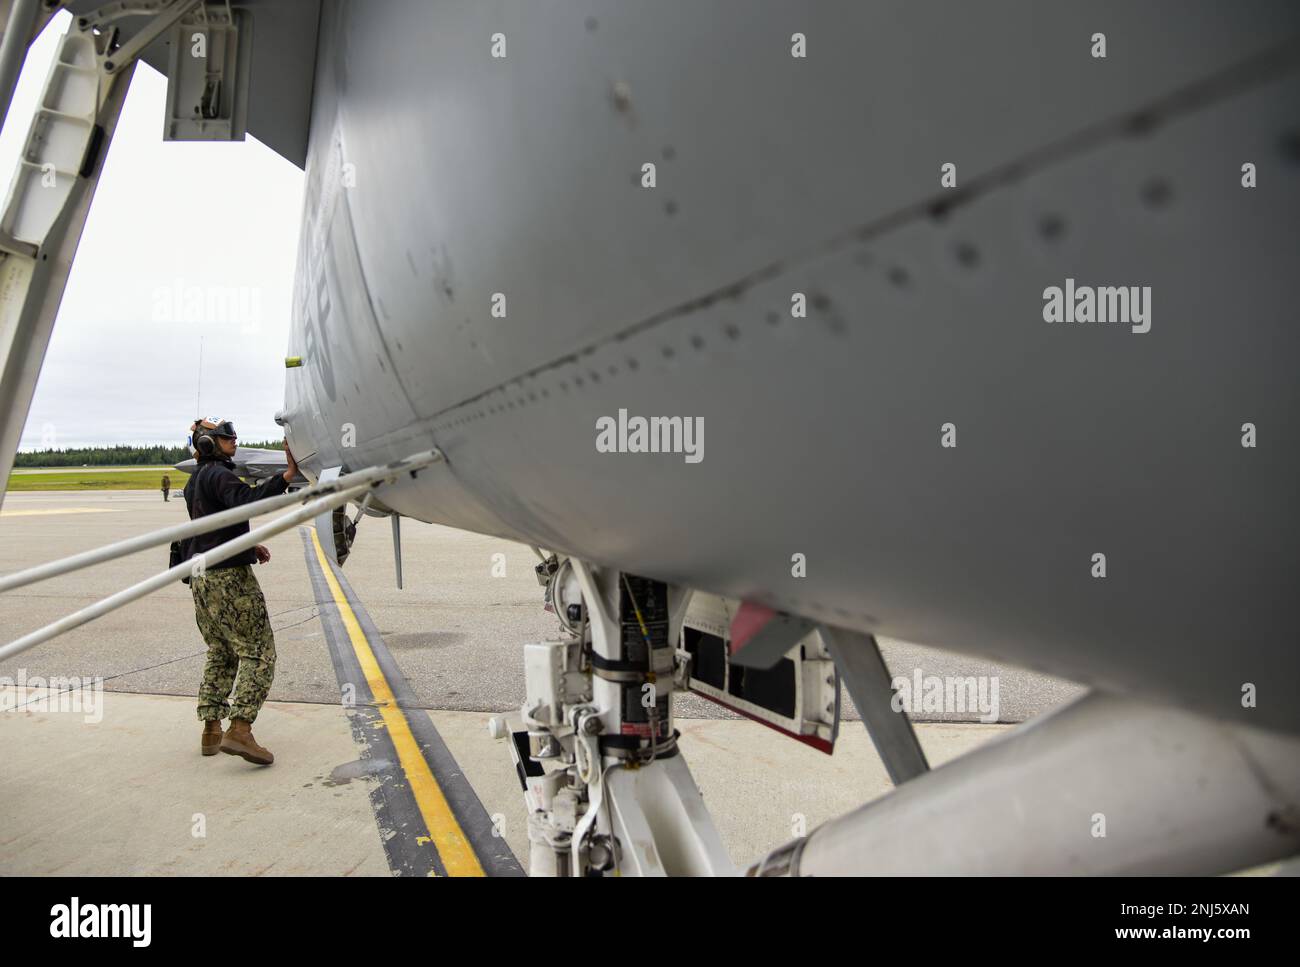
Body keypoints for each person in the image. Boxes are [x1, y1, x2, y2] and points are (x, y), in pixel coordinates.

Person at [183, 418, 298, 765]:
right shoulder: (220, 475)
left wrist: (250, 547)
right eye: (226, 438)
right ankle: (241, 728)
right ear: (208, 444)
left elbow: (216, 527)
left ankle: (211, 729)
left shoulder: (194, 482)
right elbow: (248, 502)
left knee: (220, 651)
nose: (234, 441)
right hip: (229, 579)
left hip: (203, 578)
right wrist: (287, 476)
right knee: (259, 651)